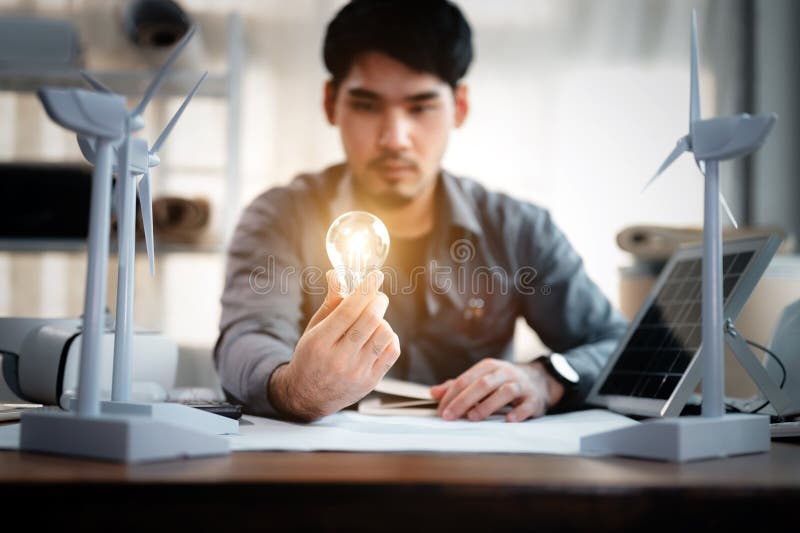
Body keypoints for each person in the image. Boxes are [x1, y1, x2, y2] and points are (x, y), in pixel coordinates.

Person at [214, 0, 628, 423]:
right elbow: (249, 338)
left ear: (460, 107)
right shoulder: (280, 218)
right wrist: (295, 389)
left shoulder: (519, 230)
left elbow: (617, 344)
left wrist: (547, 377)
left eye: (421, 107)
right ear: (330, 103)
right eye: (367, 105)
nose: (395, 138)